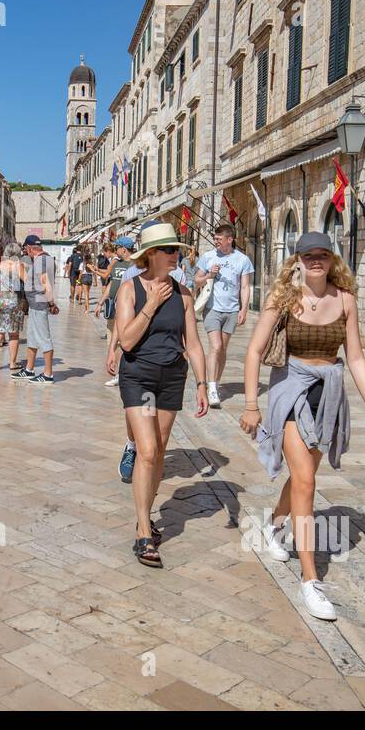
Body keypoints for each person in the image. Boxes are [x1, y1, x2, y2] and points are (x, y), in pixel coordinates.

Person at [239, 232, 365, 621]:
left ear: (331, 259)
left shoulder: (346, 300)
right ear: (298, 259)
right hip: (292, 391)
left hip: (329, 395)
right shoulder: (283, 298)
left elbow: (354, 357)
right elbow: (254, 350)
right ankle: (310, 580)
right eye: (309, 255)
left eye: (323, 255)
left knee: (303, 476)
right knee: (306, 481)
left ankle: (273, 525)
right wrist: (253, 404)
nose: (316, 261)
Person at [112, 222, 209, 568]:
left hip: (171, 377)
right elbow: (126, 340)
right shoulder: (130, 289)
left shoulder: (184, 294)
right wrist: (151, 304)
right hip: (139, 376)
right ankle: (142, 530)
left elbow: (193, 343)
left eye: (178, 250)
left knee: (160, 448)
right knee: (148, 450)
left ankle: (147, 513)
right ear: (152, 255)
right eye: (170, 250)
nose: (176, 255)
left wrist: (202, 383)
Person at [194, 224, 254, 407]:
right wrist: (209, 276)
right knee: (216, 346)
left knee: (223, 349)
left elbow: (244, 286)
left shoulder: (242, 260)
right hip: (212, 308)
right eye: (215, 238)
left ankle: (216, 381)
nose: (216, 241)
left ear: (230, 239)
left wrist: (244, 309)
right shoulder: (208, 257)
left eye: (219, 239)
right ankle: (211, 388)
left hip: (232, 310)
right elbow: (196, 281)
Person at [13, 235, 58, 384]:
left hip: (39, 304)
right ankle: (29, 369)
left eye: (26, 249)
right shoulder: (42, 260)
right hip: (34, 305)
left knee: (44, 338)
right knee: (32, 338)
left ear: (31, 247)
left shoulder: (42, 261)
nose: (26, 252)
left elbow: (45, 283)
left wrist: (51, 303)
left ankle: (48, 374)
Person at [102, 237, 136, 389]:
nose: (115, 250)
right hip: (114, 306)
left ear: (124, 248)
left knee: (124, 341)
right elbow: (111, 283)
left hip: (128, 309)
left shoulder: (134, 265)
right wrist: (101, 301)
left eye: (117, 248)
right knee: (112, 340)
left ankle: (120, 373)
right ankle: (115, 368)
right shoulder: (116, 263)